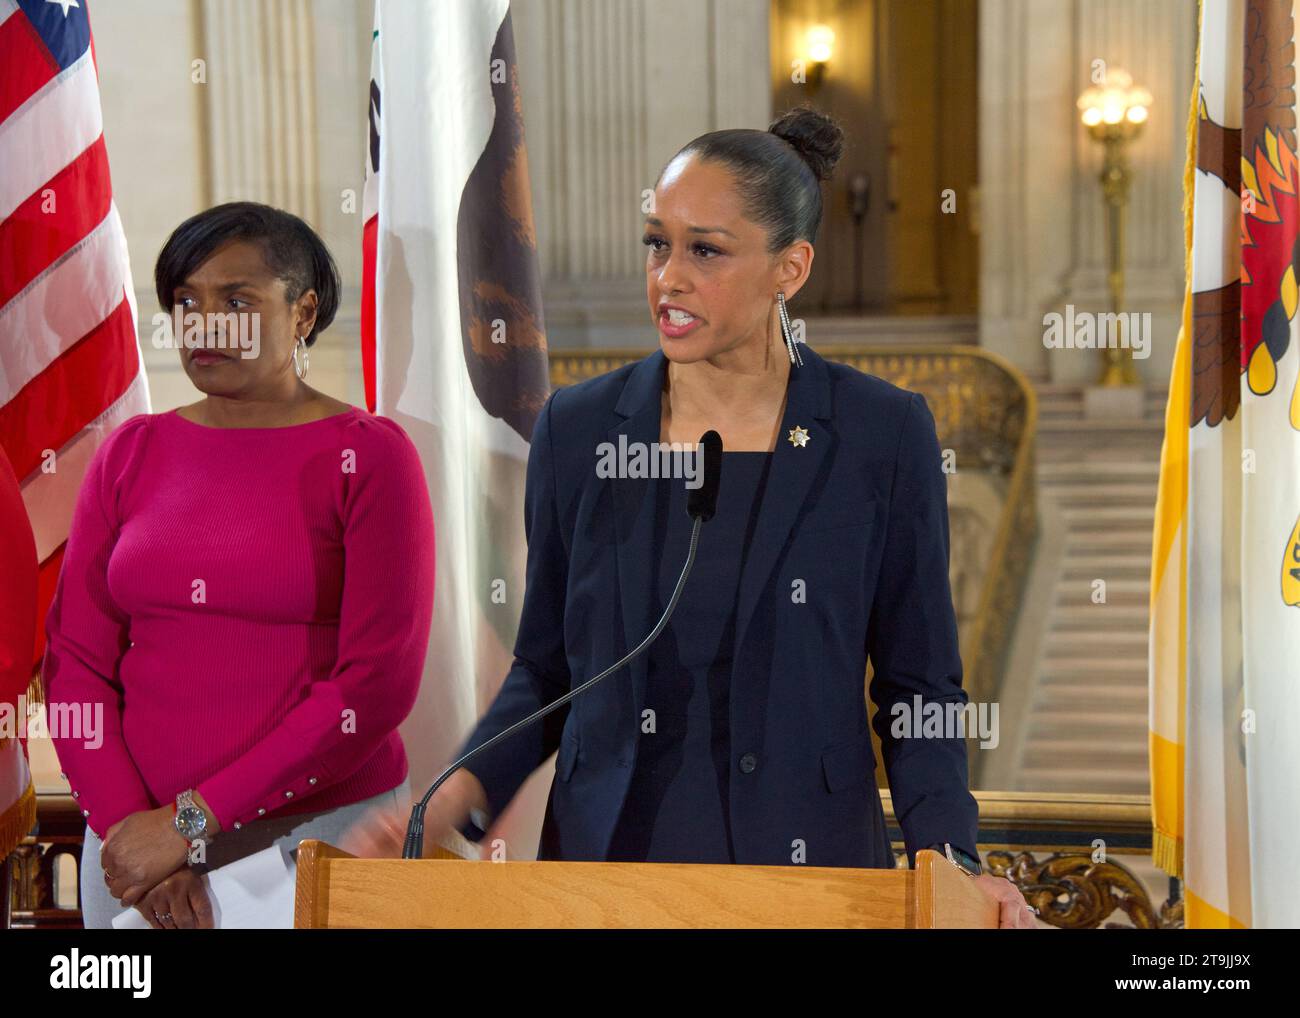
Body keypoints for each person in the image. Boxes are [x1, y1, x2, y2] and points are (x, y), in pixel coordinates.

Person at [348, 108, 1034, 927]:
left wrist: (954, 862)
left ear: (792, 267)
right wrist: (455, 799)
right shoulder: (580, 428)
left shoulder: (882, 433)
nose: (668, 277)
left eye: (705, 250)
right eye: (656, 243)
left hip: (811, 879)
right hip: (610, 876)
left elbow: (920, 688)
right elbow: (547, 671)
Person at [42, 202, 434, 928]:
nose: (204, 321)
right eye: (186, 301)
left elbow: (374, 687)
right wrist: (140, 835)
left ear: (304, 311)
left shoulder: (370, 457)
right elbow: (74, 666)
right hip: (131, 858)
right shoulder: (131, 452)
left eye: (237, 300)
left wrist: (187, 826)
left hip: (312, 842)